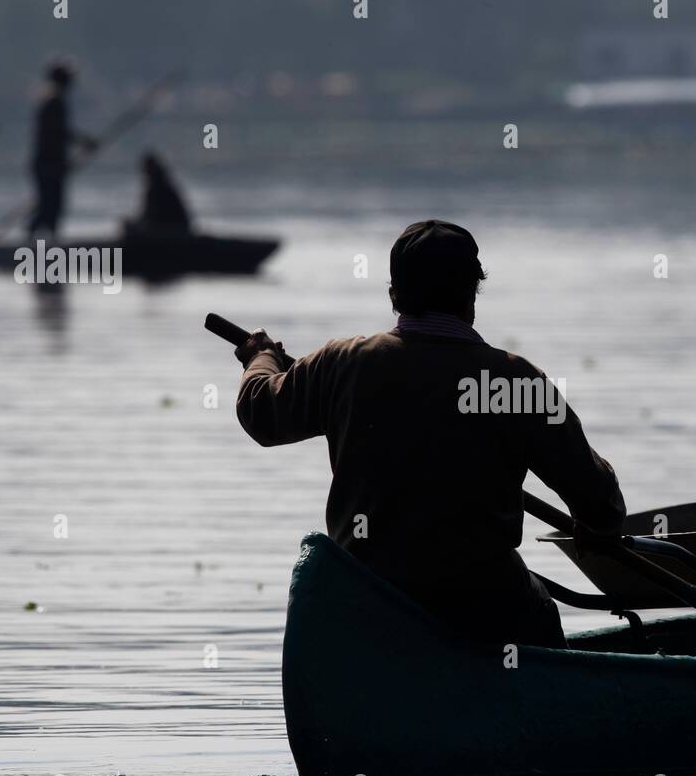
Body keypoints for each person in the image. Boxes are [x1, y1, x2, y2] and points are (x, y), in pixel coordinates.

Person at [233, 219, 626, 648]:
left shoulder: (341, 364)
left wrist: (261, 357)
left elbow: (260, 410)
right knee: (539, 614)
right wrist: (597, 525)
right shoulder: (516, 384)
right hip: (486, 607)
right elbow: (598, 499)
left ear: (394, 293)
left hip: (368, 602)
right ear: (472, 293)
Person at [28, 61, 97, 238]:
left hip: (48, 163)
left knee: (49, 206)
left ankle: (43, 242)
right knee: (51, 206)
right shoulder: (54, 101)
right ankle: (38, 244)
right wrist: (85, 142)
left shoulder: (50, 100)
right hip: (49, 164)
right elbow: (58, 133)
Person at [122, 152, 193, 238]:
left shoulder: (157, 189)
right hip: (174, 229)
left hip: (170, 231)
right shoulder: (164, 186)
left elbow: (150, 215)